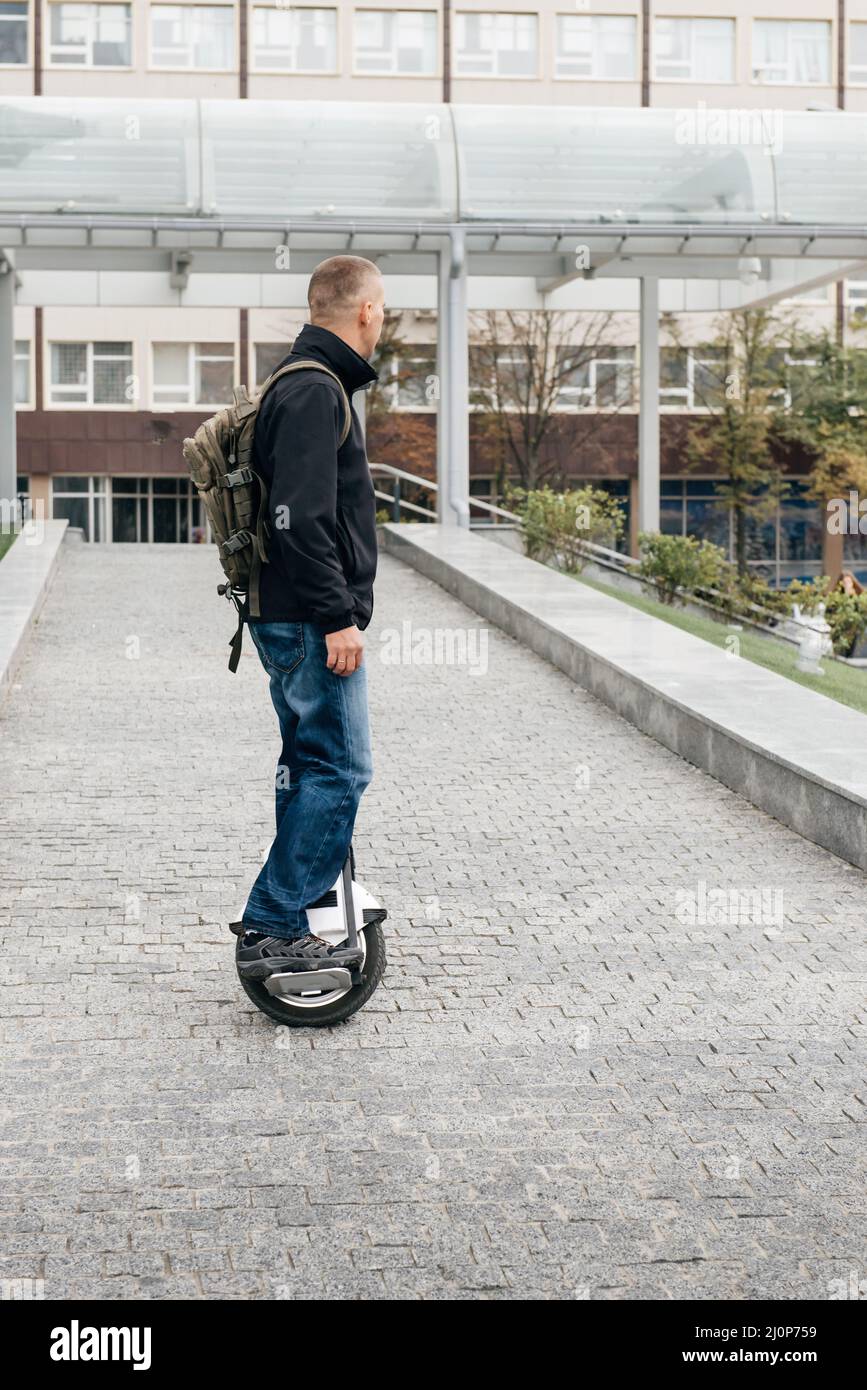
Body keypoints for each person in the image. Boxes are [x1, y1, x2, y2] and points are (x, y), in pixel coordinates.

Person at [235, 255, 385, 978]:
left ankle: (297, 908)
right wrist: (336, 618)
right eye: (382, 307)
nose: (382, 319)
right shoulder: (314, 392)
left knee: (307, 767)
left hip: (290, 616)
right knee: (338, 769)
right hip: (305, 621)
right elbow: (299, 520)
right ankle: (274, 921)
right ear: (363, 310)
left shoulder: (304, 386)